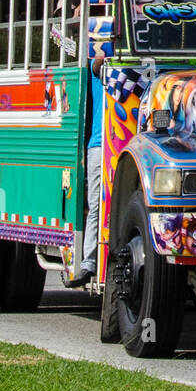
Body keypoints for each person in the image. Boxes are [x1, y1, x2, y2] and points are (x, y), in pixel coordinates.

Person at [79, 50, 106, 283]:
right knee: (97, 203)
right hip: (101, 142)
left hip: (141, 142)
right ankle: (89, 260)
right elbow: (98, 64)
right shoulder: (99, 60)